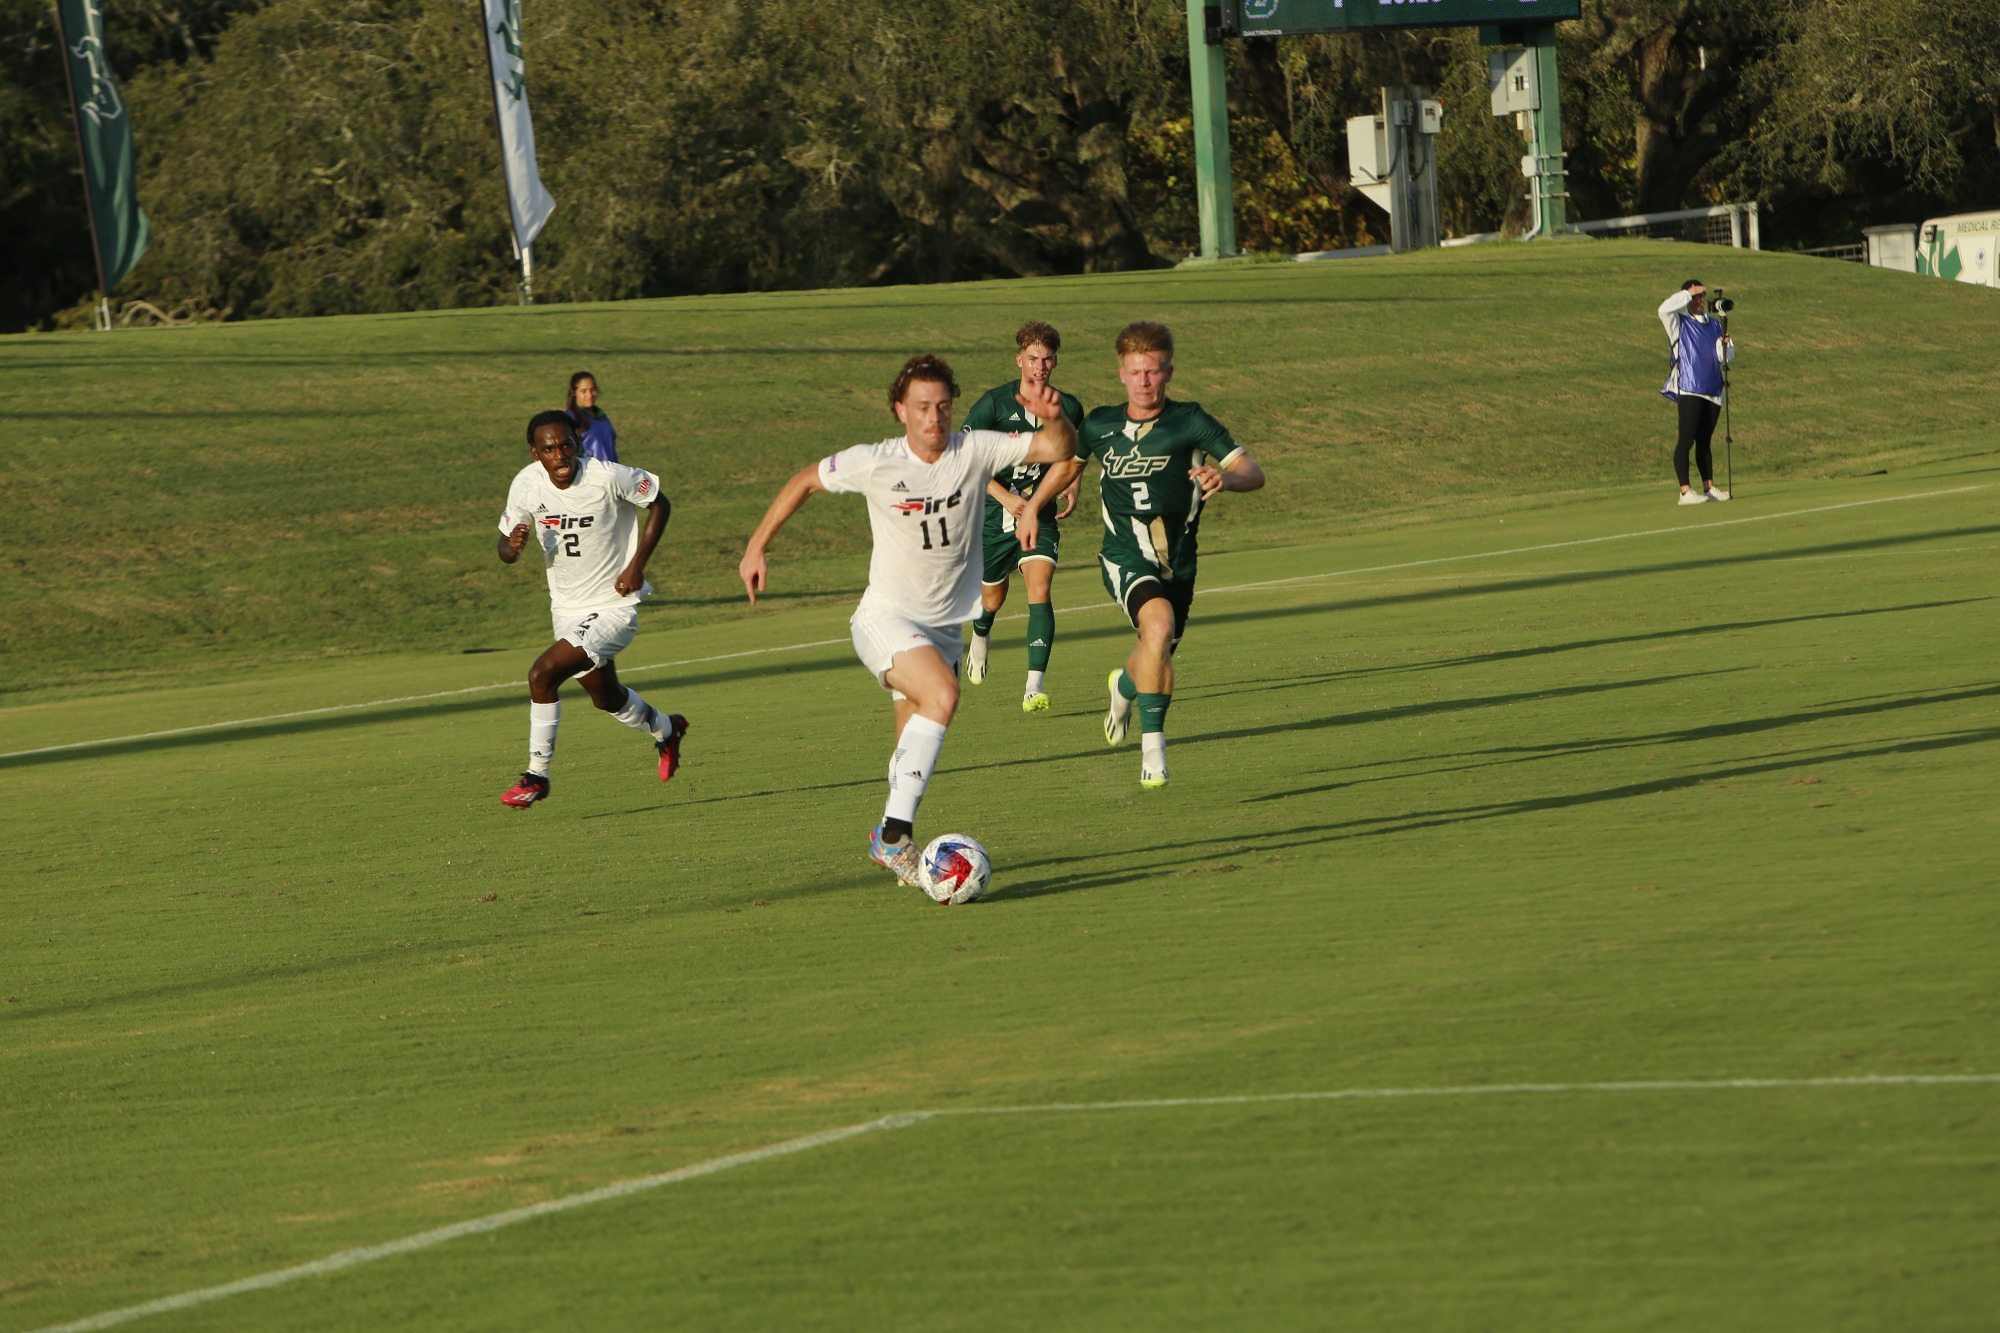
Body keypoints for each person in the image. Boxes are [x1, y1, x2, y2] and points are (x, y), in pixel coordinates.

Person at [738, 355, 1078, 886]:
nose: (933, 418)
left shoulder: (976, 448)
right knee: (944, 695)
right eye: (922, 407)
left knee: (908, 752)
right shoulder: (876, 461)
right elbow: (804, 481)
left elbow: (1060, 449)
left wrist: (1053, 417)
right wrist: (757, 547)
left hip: (943, 628)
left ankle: (899, 845)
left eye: (942, 406)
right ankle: (891, 837)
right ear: (901, 410)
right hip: (886, 617)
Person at [1082, 321, 1264, 789]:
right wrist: (1034, 507)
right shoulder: (1099, 425)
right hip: (1123, 552)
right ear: (1121, 372)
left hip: (1178, 560)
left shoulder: (1189, 420)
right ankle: (1154, 754)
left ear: (1169, 372)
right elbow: (1066, 462)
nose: (1145, 380)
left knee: (1156, 648)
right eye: (1136, 371)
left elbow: (1252, 470)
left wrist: (1228, 479)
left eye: (1154, 371)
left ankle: (1123, 687)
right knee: (1157, 626)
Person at [495, 409, 686, 807]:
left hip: (614, 606)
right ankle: (667, 729)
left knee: (542, 675)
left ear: (577, 443)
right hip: (566, 609)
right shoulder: (526, 485)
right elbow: (504, 545)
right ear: (536, 454)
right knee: (607, 698)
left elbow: (660, 503)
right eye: (549, 449)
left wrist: (637, 566)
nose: (560, 455)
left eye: (566, 444)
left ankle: (536, 776)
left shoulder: (607, 476)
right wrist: (510, 550)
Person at [961, 321, 1086, 713]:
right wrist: (1002, 497)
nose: (1040, 366)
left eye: (1047, 359)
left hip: (1041, 513)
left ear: (1055, 362)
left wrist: (1072, 484)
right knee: (992, 599)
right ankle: (981, 632)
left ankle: (1034, 687)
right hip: (993, 517)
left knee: (1040, 587)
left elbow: (1074, 457)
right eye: (1033, 358)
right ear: (1019, 359)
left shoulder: (1069, 408)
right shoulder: (994, 404)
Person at [1658, 279, 1735, 504]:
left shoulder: (1714, 325)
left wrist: (1726, 345)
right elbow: (1663, 309)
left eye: (1702, 296)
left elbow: (1725, 359)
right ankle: (1685, 491)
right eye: (1695, 297)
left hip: (1713, 389)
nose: (1700, 300)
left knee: (1705, 441)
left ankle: (1708, 488)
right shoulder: (1678, 322)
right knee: (1686, 440)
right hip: (1690, 388)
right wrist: (1686, 293)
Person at [566, 371, 618, 464]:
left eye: (592, 389)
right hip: (590, 475)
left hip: (613, 473)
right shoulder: (569, 418)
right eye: (583, 391)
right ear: (574, 392)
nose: (589, 395)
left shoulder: (602, 417)